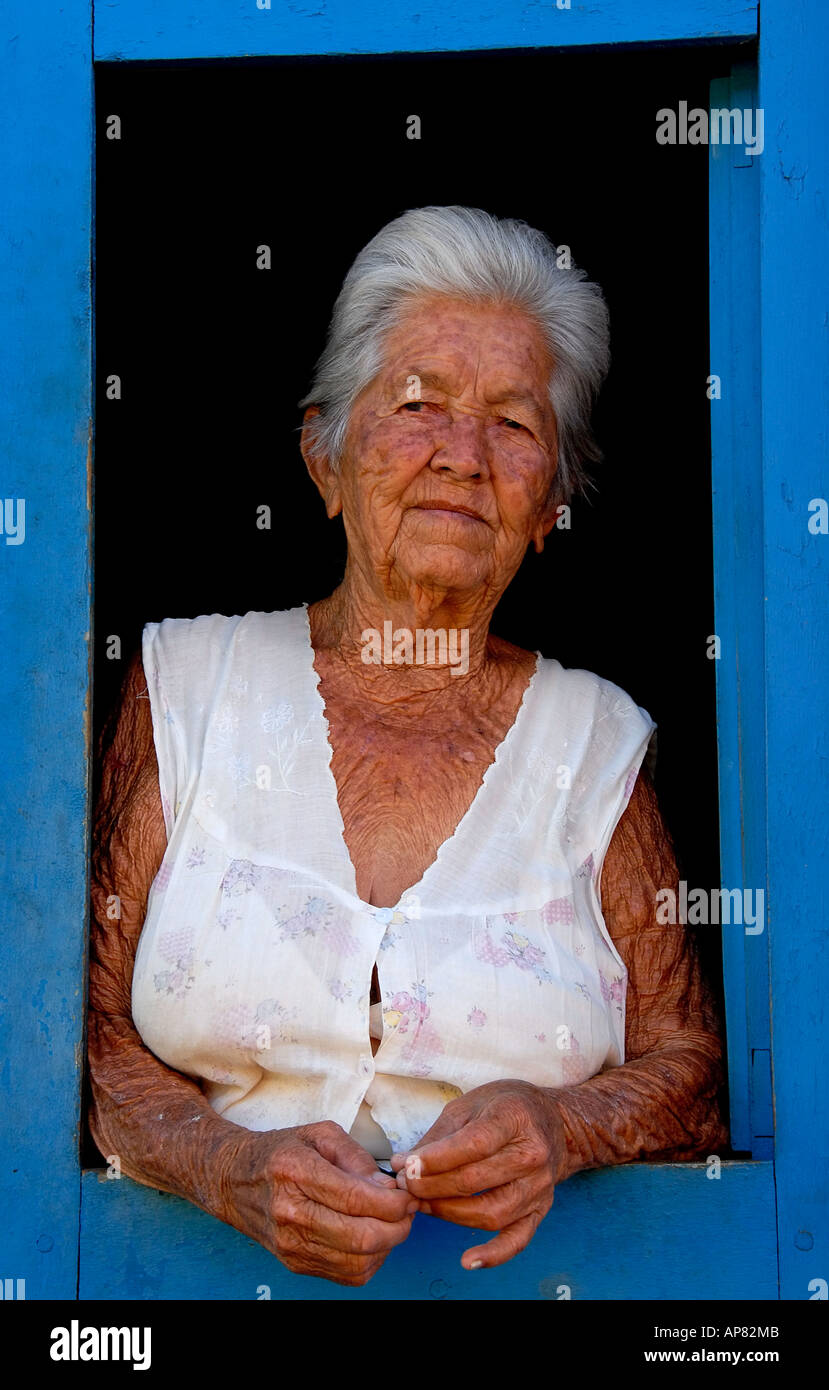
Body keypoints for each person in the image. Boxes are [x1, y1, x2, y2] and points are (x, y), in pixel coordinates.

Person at [88, 205, 728, 1288]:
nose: (463, 457)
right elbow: (87, 1038)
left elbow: (696, 1071)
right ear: (324, 458)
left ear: (549, 508)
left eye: (515, 425)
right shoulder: (188, 691)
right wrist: (223, 1165)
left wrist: (565, 1125)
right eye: (417, 403)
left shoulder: (596, 743)